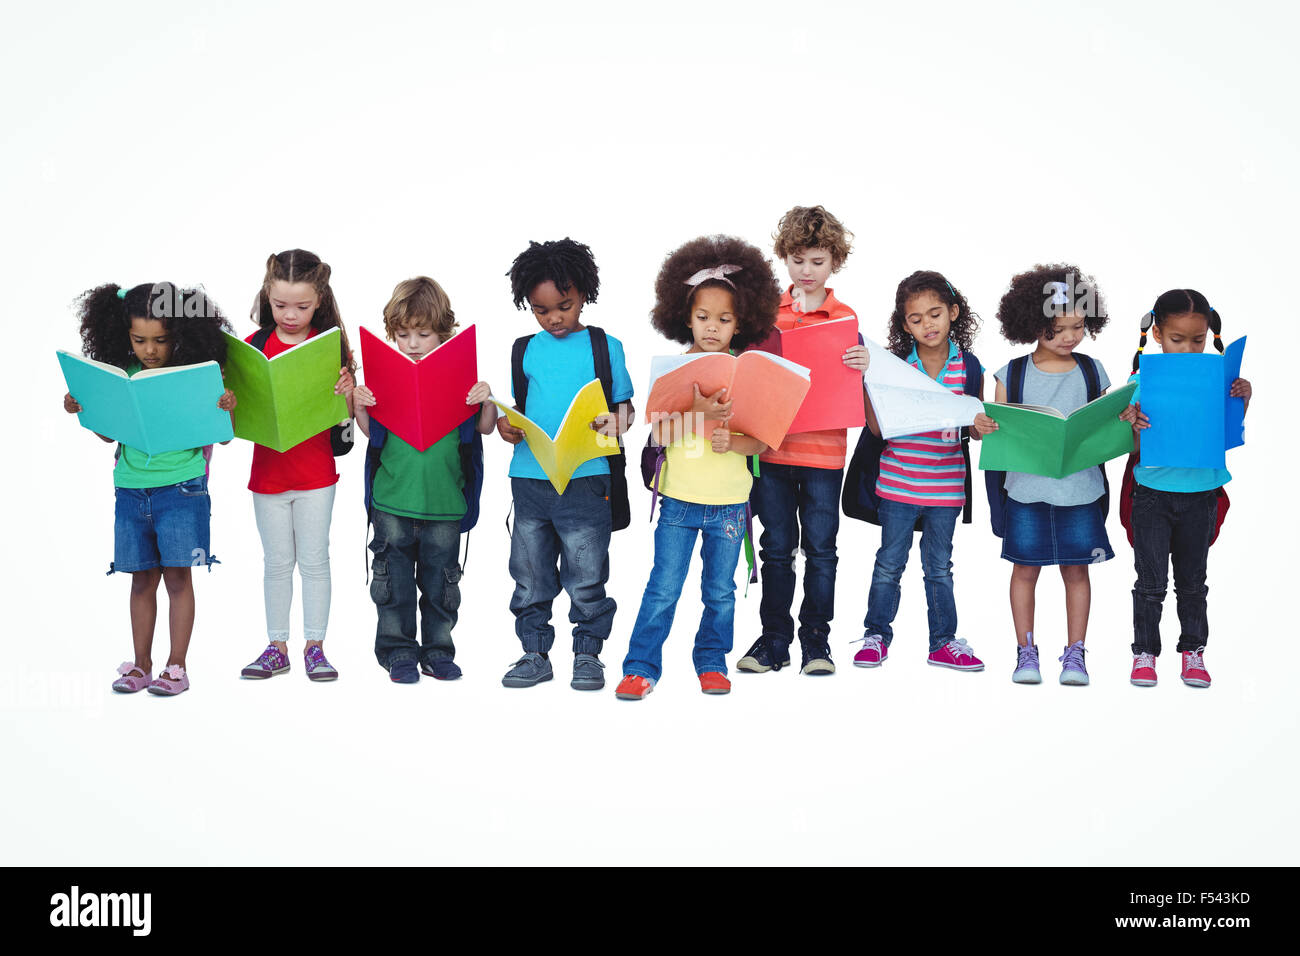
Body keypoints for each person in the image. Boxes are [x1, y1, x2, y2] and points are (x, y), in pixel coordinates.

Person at [616, 236, 780, 699]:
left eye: (724, 320)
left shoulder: (747, 372)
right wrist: (700, 415)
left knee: (720, 593)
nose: (712, 328)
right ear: (684, 318)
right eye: (703, 318)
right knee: (663, 590)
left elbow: (762, 443)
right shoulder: (672, 371)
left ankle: (711, 661)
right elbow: (658, 436)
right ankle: (641, 667)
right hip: (678, 502)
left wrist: (737, 441)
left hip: (730, 506)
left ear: (740, 323)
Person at [65, 282, 236, 696]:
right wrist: (84, 410)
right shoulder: (124, 375)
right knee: (140, 580)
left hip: (183, 488)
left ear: (179, 335)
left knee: (178, 578)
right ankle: (141, 664)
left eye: (160, 340)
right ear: (124, 335)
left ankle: (176, 666)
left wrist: (225, 406)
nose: (150, 350)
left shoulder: (192, 374)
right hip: (130, 489)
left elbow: (224, 436)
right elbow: (111, 436)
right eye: (139, 340)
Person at [496, 238, 634, 690]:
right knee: (529, 574)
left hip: (588, 478)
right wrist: (506, 427)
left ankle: (588, 654)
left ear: (584, 295)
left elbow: (626, 412)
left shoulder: (604, 345)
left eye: (564, 305)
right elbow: (516, 411)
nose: (554, 317)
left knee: (587, 574)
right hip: (530, 480)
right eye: (541, 310)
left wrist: (615, 422)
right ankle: (533, 654)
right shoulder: (523, 349)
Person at [738, 205, 869, 676]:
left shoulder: (845, 317)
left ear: (834, 261)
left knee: (821, 548)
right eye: (797, 260)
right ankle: (774, 640)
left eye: (817, 261)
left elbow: (855, 385)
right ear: (784, 260)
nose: (806, 271)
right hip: (771, 450)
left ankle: (817, 640)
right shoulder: (766, 313)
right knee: (776, 547)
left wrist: (862, 363)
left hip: (825, 455)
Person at [352, 276, 496, 683]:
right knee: (393, 584)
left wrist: (485, 398)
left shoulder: (457, 373)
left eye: (423, 333)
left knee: (441, 586)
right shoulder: (386, 373)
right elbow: (369, 433)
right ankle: (398, 652)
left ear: (443, 332)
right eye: (402, 335)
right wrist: (360, 405)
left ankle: (437, 652)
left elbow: (484, 429)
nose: (412, 343)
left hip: (446, 504)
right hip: (392, 502)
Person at [856, 271, 997, 672]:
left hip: (946, 487)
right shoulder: (895, 368)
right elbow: (878, 428)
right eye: (915, 319)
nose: (927, 325)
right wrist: (869, 381)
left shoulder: (969, 368)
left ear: (953, 312)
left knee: (939, 566)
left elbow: (973, 426)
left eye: (935, 314)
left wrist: (981, 425)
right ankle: (875, 636)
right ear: (904, 324)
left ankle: (943, 643)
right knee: (889, 562)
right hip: (898, 482)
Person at [1118, 289, 1251, 688]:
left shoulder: (1217, 376)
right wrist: (1130, 420)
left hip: (1201, 494)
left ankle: (1193, 652)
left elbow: (1227, 434)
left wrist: (1244, 397)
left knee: (1193, 582)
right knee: (1151, 582)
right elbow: (1134, 445)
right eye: (1178, 339)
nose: (1190, 347)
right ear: (1157, 334)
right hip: (1153, 494)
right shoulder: (1142, 379)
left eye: (1198, 339)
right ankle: (1145, 653)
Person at [988, 264, 1113, 686]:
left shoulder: (1093, 371)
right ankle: (1026, 652)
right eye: (1058, 329)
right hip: (1026, 491)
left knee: (1077, 571)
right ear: (1031, 324)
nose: (1070, 337)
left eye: (1078, 326)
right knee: (1024, 569)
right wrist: (986, 426)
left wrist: (1122, 421)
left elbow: (1106, 430)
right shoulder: (1012, 374)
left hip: (1081, 491)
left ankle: (1075, 654)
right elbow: (999, 435)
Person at [238, 249, 358, 682]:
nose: (291, 315)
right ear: (267, 297)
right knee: (275, 562)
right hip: (268, 474)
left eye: (302, 306)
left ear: (320, 300)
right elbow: (240, 415)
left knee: (314, 560)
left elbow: (345, 423)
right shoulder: (254, 346)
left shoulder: (330, 344)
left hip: (315, 474)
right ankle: (276, 646)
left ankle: (315, 646)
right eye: (280, 305)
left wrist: (346, 389)